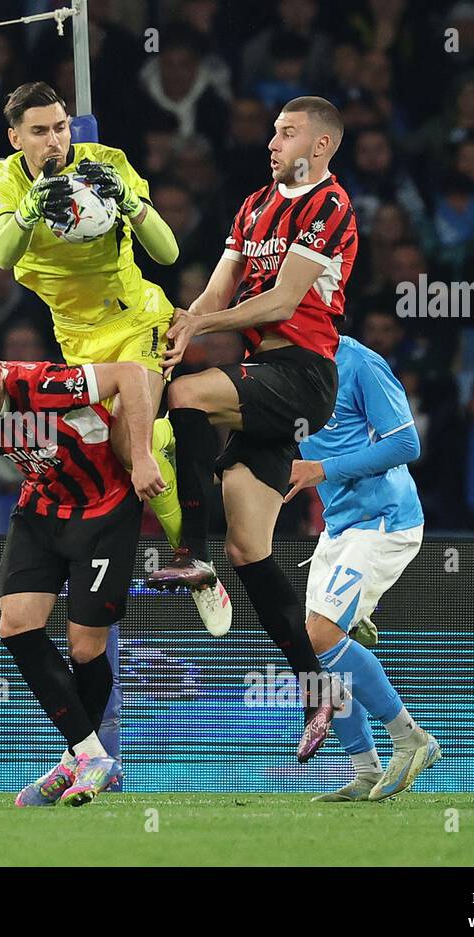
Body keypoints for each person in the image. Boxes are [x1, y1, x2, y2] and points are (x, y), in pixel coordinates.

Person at [147, 96, 357, 762]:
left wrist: (202, 329)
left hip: (302, 377)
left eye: (288, 132)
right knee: (252, 549)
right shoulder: (253, 205)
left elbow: (284, 301)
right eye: (273, 131)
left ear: (321, 146)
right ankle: (318, 688)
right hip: (262, 380)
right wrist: (185, 323)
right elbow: (216, 292)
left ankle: (190, 553)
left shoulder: (329, 205)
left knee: (186, 394)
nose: (274, 141)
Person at [0, 82, 229, 633]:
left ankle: (198, 567)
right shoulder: (1, 181)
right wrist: (28, 210)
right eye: (39, 131)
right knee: (111, 452)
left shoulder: (105, 163)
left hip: (139, 320)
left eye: (61, 127)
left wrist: (132, 203)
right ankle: (175, 437)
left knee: (123, 441)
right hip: (77, 342)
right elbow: (1, 255)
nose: (54, 140)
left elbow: (169, 251)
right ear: (15, 137)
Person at [0, 333, 162, 808]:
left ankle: (73, 759)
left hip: (104, 513)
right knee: (15, 625)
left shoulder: (43, 386)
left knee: (85, 648)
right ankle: (91, 755)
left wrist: (141, 457)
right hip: (40, 512)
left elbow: (131, 375)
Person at [284, 335, 440, 801]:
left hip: (383, 521)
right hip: (337, 527)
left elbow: (406, 443)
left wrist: (322, 470)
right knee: (316, 647)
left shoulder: (360, 363)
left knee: (320, 636)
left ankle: (412, 738)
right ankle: (365, 769)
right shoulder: (286, 367)